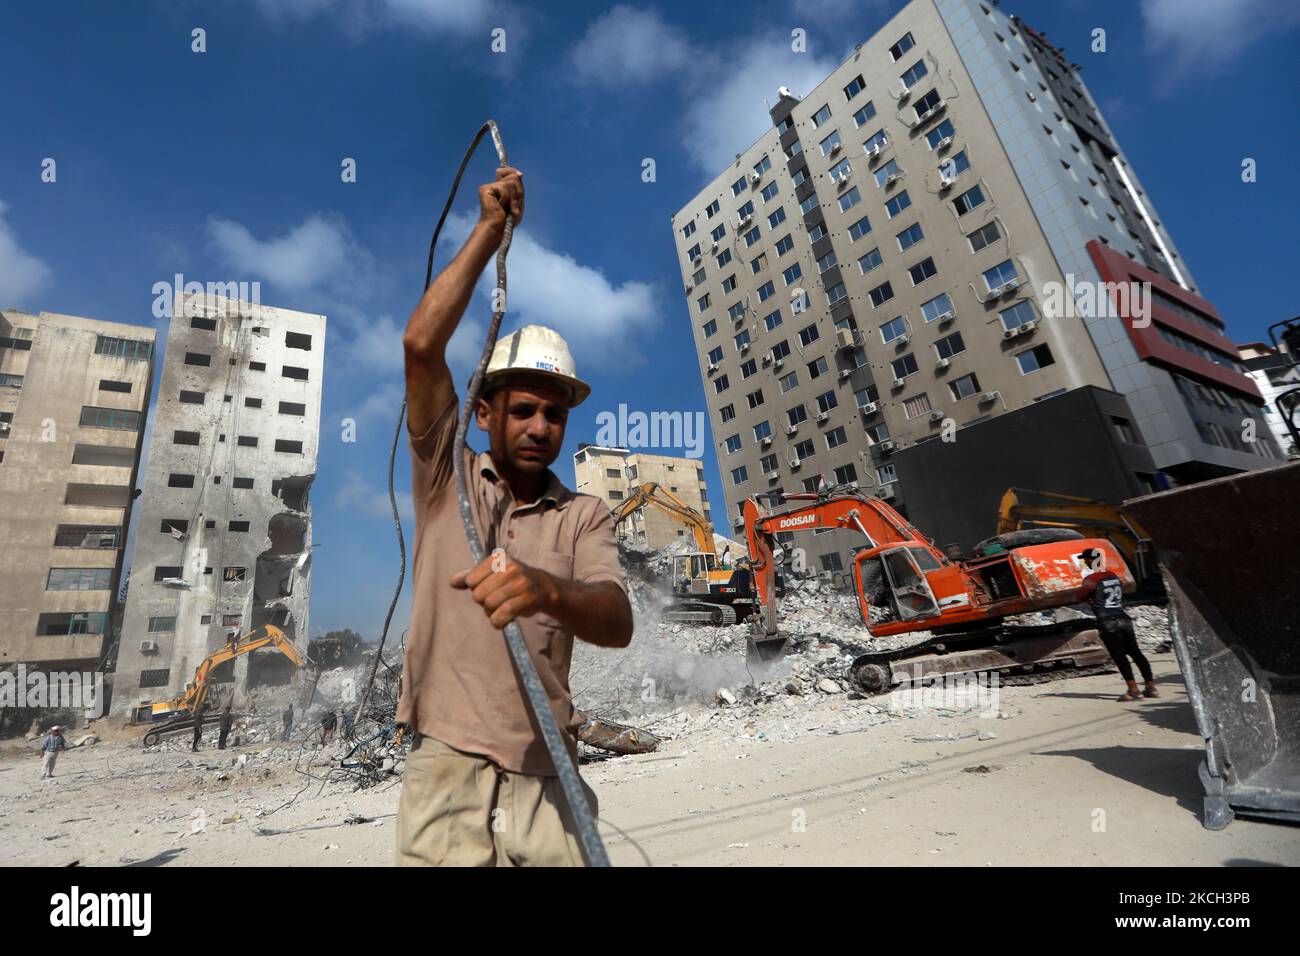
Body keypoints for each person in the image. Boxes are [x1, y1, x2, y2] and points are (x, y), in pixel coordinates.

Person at [396, 165, 633, 867]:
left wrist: (546, 589)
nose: (539, 427)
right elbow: (420, 346)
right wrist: (489, 230)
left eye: (554, 414)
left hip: (547, 766)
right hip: (449, 763)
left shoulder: (584, 514)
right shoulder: (447, 476)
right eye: (522, 409)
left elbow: (616, 621)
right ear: (482, 412)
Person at [1080, 547, 1158, 702]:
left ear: (1090, 560)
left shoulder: (1091, 579)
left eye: (1086, 560)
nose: (1085, 563)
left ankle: (1133, 690)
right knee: (1136, 653)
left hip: (1108, 621)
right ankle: (1151, 687)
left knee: (1119, 656)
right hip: (1123, 618)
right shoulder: (1113, 575)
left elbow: (1080, 595)